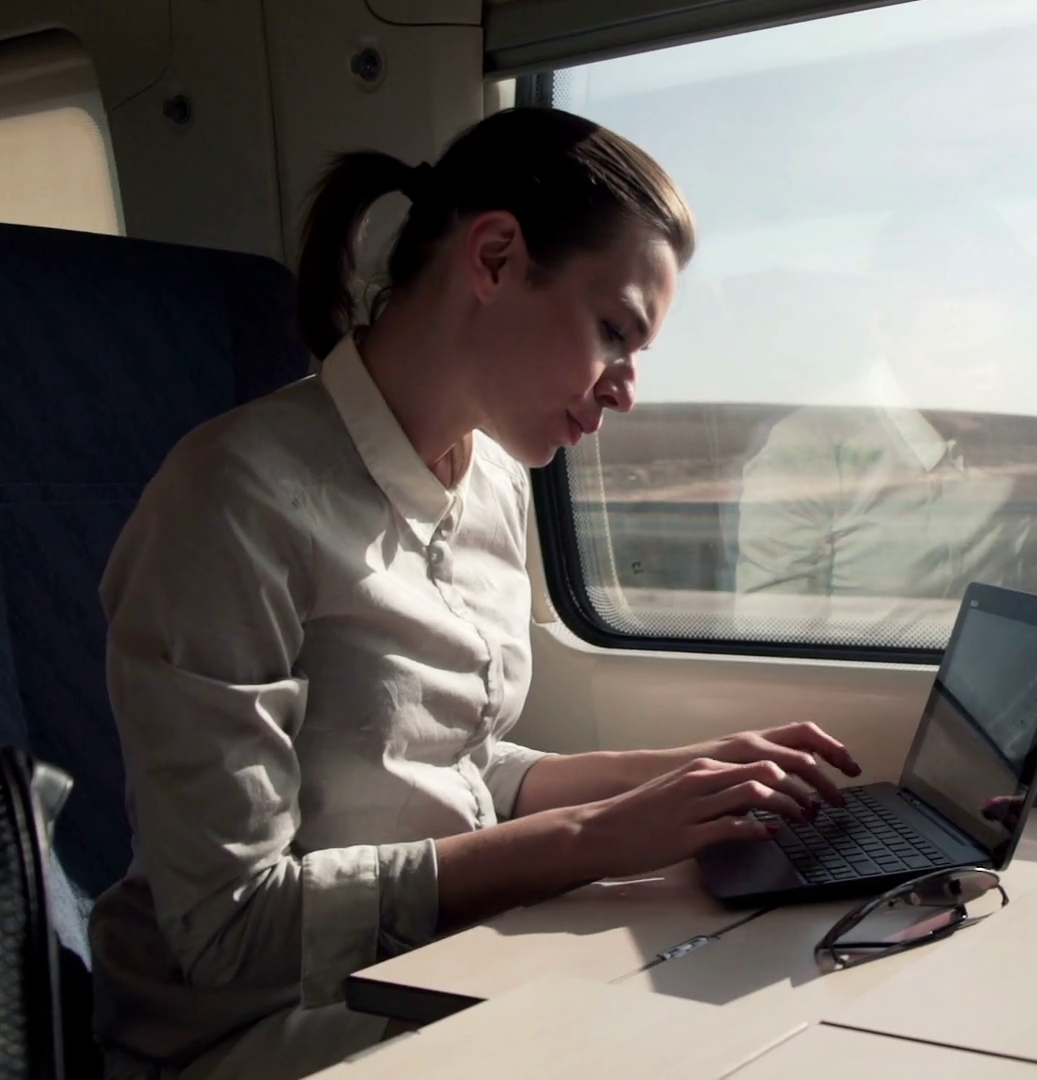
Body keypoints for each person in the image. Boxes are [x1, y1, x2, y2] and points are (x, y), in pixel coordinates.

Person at [89, 106, 861, 1080]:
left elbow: (443, 772)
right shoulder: (235, 501)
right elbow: (226, 929)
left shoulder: (493, 480)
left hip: (428, 960)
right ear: (494, 257)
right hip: (246, 1029)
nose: (626, 390)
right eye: (614, 331)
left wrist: (685, 780)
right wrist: (593, 838)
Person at [733, 200, 1037, 639]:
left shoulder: (1020, 428)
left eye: (1005, 351)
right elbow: (773, 642)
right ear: (885, 333)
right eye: (963, 358)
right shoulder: (810, 449)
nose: (992, 379)